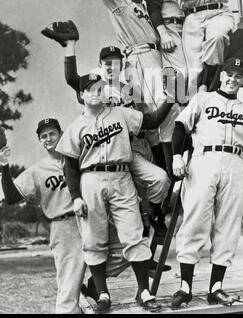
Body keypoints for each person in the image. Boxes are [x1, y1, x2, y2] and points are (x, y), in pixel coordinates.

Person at [49, 0, 181, 174]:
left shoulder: (151, 8)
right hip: (136, 60)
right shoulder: (120, 4)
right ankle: (161, 174)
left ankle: (167, 172)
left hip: (156, 56)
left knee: (165, 110)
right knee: (149, 115)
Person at [41, 22, 171, 245]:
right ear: (100, 65)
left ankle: (156, 218)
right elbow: (73, 79)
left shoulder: (132, 90)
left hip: (134, 147)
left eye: (115, 63)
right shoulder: (95, 89)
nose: (111, 67)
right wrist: (69, 47)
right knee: (128, 210)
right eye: (106, 64)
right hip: (105, 150)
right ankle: (124, 251)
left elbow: (148, 123)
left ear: (122, 65)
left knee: (153, 193)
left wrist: (161, 160)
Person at [55, 72, 175, 311]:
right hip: (90, 179)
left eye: (100, 88)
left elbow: (151, 120)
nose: (97, 93)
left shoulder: (120, 113)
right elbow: (69, 166)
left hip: (121, 175)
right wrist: (76, 197)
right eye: (92, 89)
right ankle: (102, 295)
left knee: (134, 234)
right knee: (93, 239)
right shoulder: (76, 126)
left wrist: (170, 99)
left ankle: (144, 292)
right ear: (82, 95)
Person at [170, 57, 243, 308]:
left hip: (233, 161)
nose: (233, 79)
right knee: (194, 221)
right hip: (204, 159)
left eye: (239, 76)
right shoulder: (203, 99)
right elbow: (179, 126)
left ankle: (216, 288)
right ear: (221, 76)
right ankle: (185, 287)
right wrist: (177, 156)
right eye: (229, 74)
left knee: (228, 224)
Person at [0, 118, 129, 314]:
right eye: (43, 136)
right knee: (68, 292)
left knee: (129, 247)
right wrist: (4, 165)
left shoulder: (80, 158)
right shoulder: (37, 171)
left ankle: (94, 282)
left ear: (61, 134)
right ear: (40, 141)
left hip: (92, 218)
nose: (48, 138)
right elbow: (10, 197)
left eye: (52, 133)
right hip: (64, 227)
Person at [146, 0, 188, 98]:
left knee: (196, 72)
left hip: (189, 26)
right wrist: (163, 34)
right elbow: (153, 8)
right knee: (181, 74)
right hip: (170, 28)